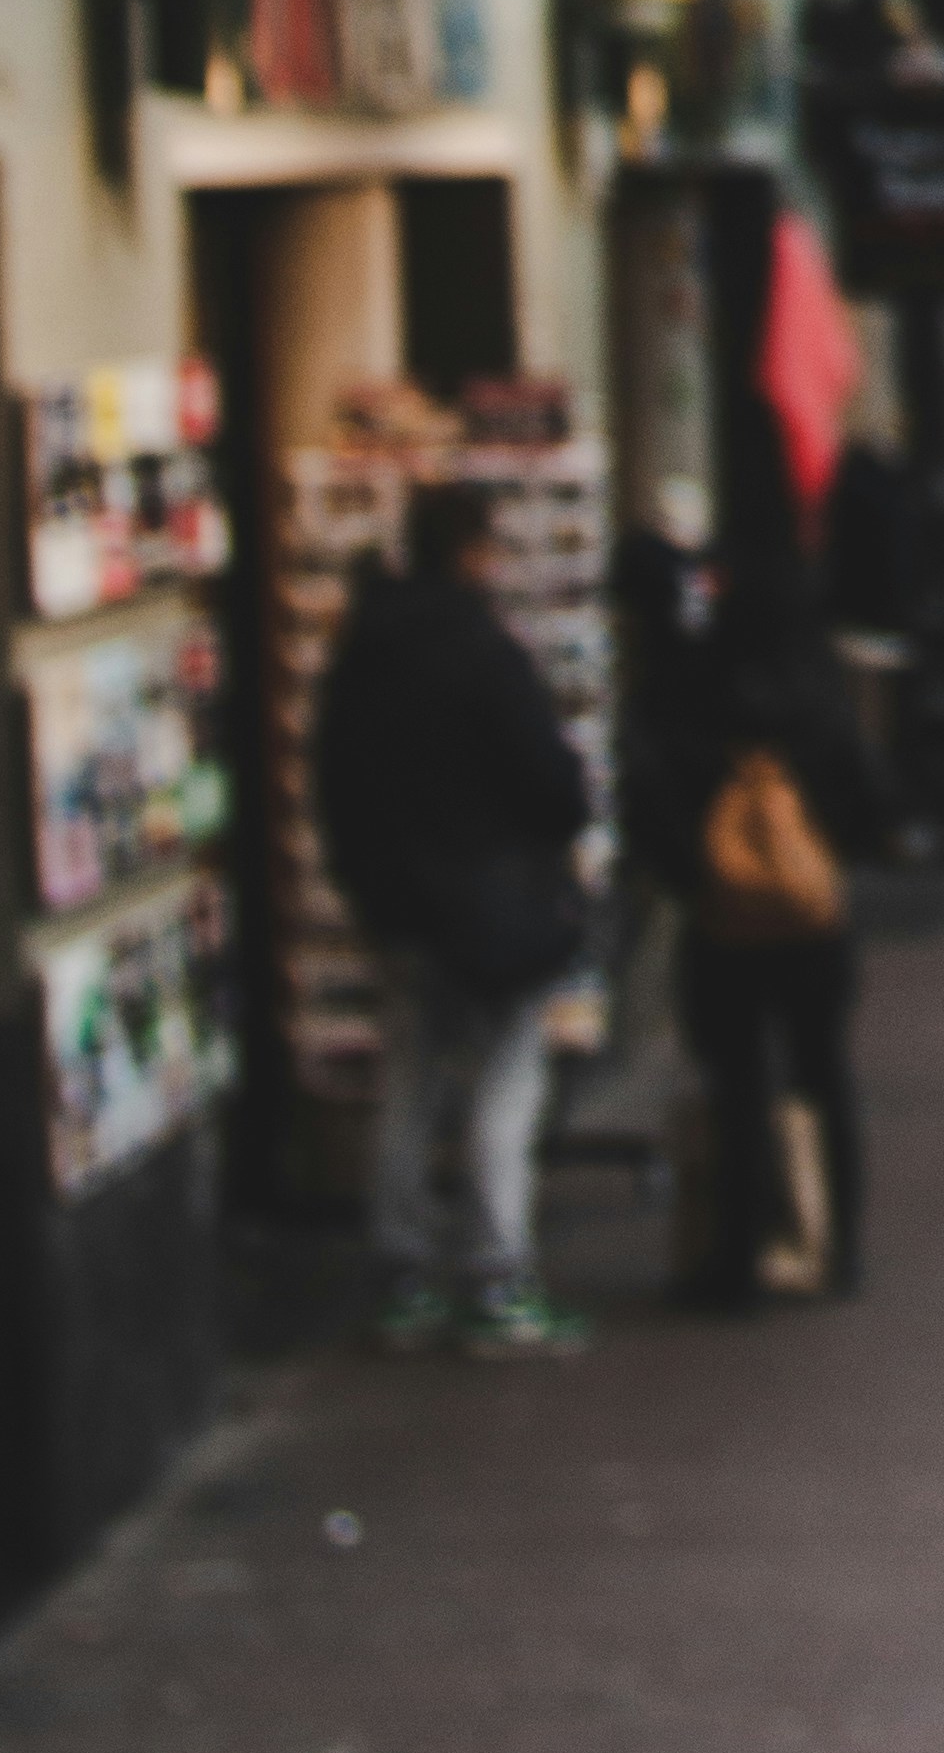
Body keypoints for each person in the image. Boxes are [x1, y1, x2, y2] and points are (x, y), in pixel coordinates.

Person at [313, 473, 594, 1361]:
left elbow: (332, 783)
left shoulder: (363, 654)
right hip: (491, 901)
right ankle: (496, 1276)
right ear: (475, 552)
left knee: (409, 1078)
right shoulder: (485, 652)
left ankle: (401, 1275)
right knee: (507, 1078)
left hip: (398, 905)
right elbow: (553, 785)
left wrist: (365, 881)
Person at [659, 582, 876, 1307]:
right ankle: (834, 1241)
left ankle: (736, 1255)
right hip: (813, 925)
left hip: (724, 926)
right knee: (823, 1074)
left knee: (737, 1081)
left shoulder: (697, 693)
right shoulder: (818, 693)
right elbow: (868, 793)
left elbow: (660, 797)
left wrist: (697, 875)